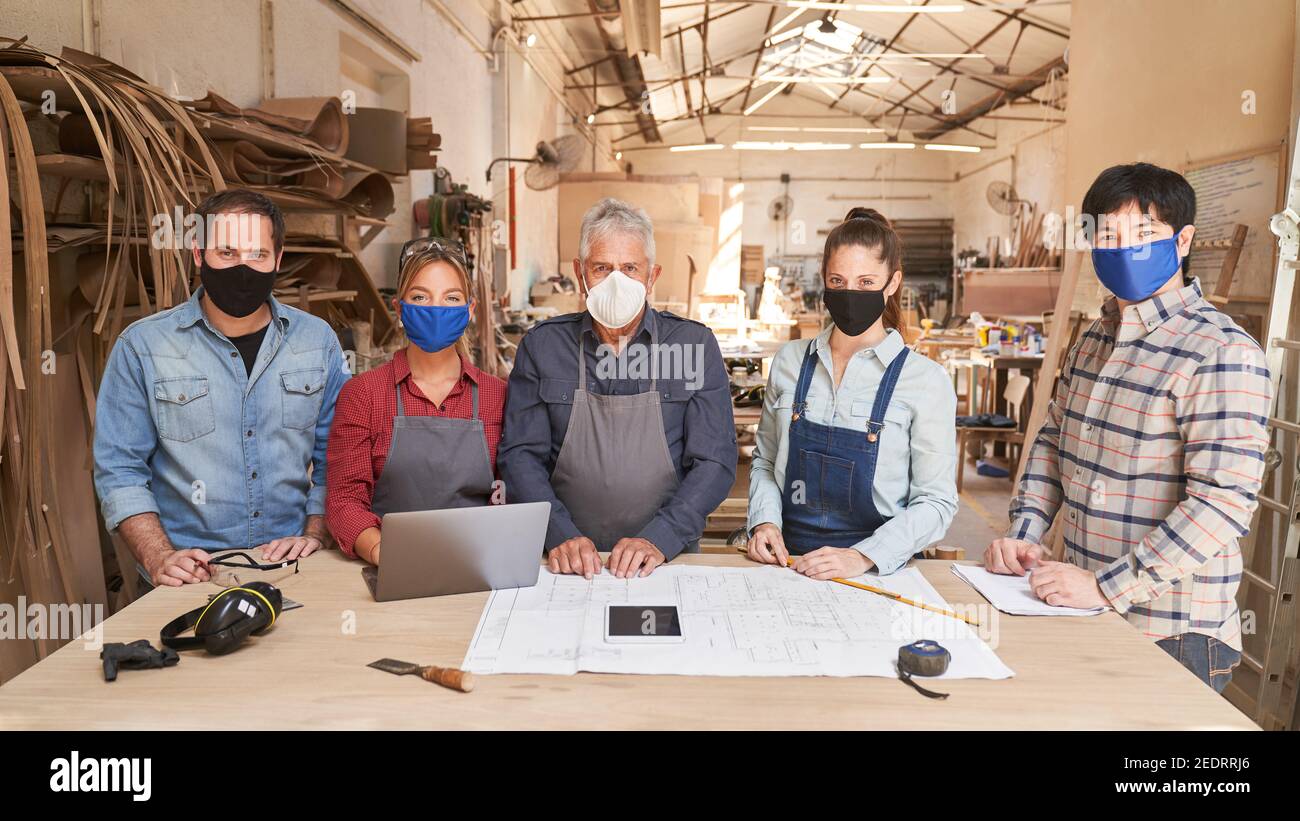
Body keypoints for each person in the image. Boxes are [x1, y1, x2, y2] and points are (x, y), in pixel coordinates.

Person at [984, 162, 1273, 692]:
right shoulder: (1095, 338)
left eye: (1145, 234)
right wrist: (1024, 534)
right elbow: (1052, 443)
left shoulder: (1221, 352)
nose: (1124, 250)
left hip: (1173, 632)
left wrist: (1106, 586)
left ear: (1182, 241)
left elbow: (1222, 504)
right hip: (1081, 606)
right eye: (1109, 236)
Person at [93, 189, 349, 587]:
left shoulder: (317, 341)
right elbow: (119, 470)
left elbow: (338, 455)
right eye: (227, 252)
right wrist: (159, 556)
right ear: (198, 254)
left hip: (292, 566)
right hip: (187, 575)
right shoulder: (143, 347)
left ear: (277, 260)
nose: (242, 268)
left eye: (258, 255)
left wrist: (315, 534)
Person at [498, 197, 737, 579]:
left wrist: (661, 537)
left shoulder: (694, 346)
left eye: (630, 268)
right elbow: (520, 456)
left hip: (664, 560)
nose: (616, 281)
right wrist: (559, 533)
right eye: (602, 268)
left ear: (652, 276)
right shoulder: (543, 346)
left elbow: (715, 461)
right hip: (563, 561)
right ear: (580, 274)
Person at [746, 208, 958, 579]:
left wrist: (863, 557)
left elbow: (936, 502)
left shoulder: (925, 381)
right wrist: (763, 522)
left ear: (892, 283)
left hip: (877, 571)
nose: (850, 295)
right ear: (824, 281)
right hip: (786, 562)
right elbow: (764, 461)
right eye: (838, 281)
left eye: (865, 283)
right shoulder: (789, 361)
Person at [325, 240, 507, 565]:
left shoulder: (498, 396)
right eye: (420, 297)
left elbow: (511, 493)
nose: (436, 309)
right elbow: (344, 500)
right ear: (399, 308)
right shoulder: (363, 394)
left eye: (451, 298)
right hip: (391, 563)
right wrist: (382, 551)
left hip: (477, 564)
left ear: (470, 310)